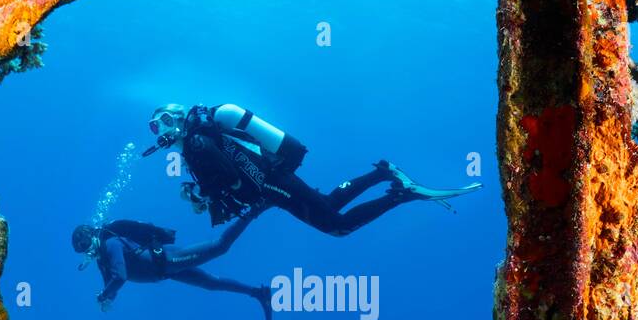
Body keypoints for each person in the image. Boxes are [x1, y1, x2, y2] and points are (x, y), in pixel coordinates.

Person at [143, 103, 480, 234]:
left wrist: (202, 192)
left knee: (337, 226)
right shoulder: (201, 140)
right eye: (156, 127)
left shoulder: (197, 143)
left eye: (167, 120)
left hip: (270, 183)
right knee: (330, 205)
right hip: (272, 178)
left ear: (180, 117)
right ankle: (383, 171)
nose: (163, 130)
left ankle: (400, 194)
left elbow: (230, 179)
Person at [72, 215, 279, 320]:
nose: (88, 251)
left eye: (86, 245)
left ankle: (256, 208)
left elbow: (120, 277)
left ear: (92, 236)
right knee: (211, 284)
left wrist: (103, 295)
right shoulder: (103, 260)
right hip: (166, 272)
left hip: (169, 261)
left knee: (220, 246)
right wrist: (107, 297)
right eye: (84, 251)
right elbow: (113, 285)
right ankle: (258, 293)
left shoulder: (111, 244)